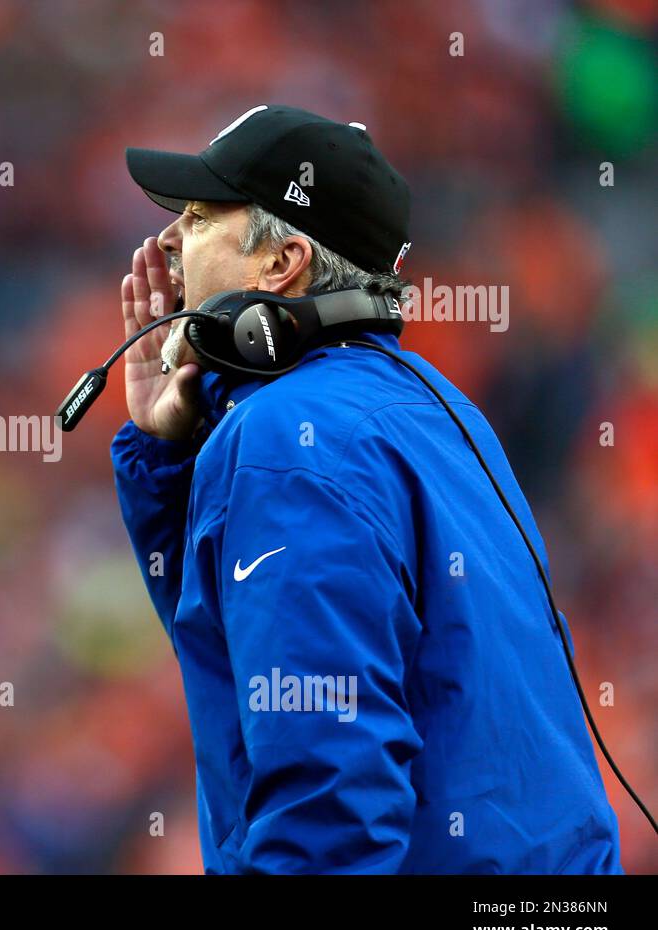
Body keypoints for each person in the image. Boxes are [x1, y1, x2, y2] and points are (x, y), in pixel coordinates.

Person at [111, 105, 624, 873]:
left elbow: (328, 792)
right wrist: (171, 454)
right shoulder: (440, 411)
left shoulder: (287, 436)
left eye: (196, 216)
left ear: (281, 263)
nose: (170, 242)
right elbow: (250, 655)